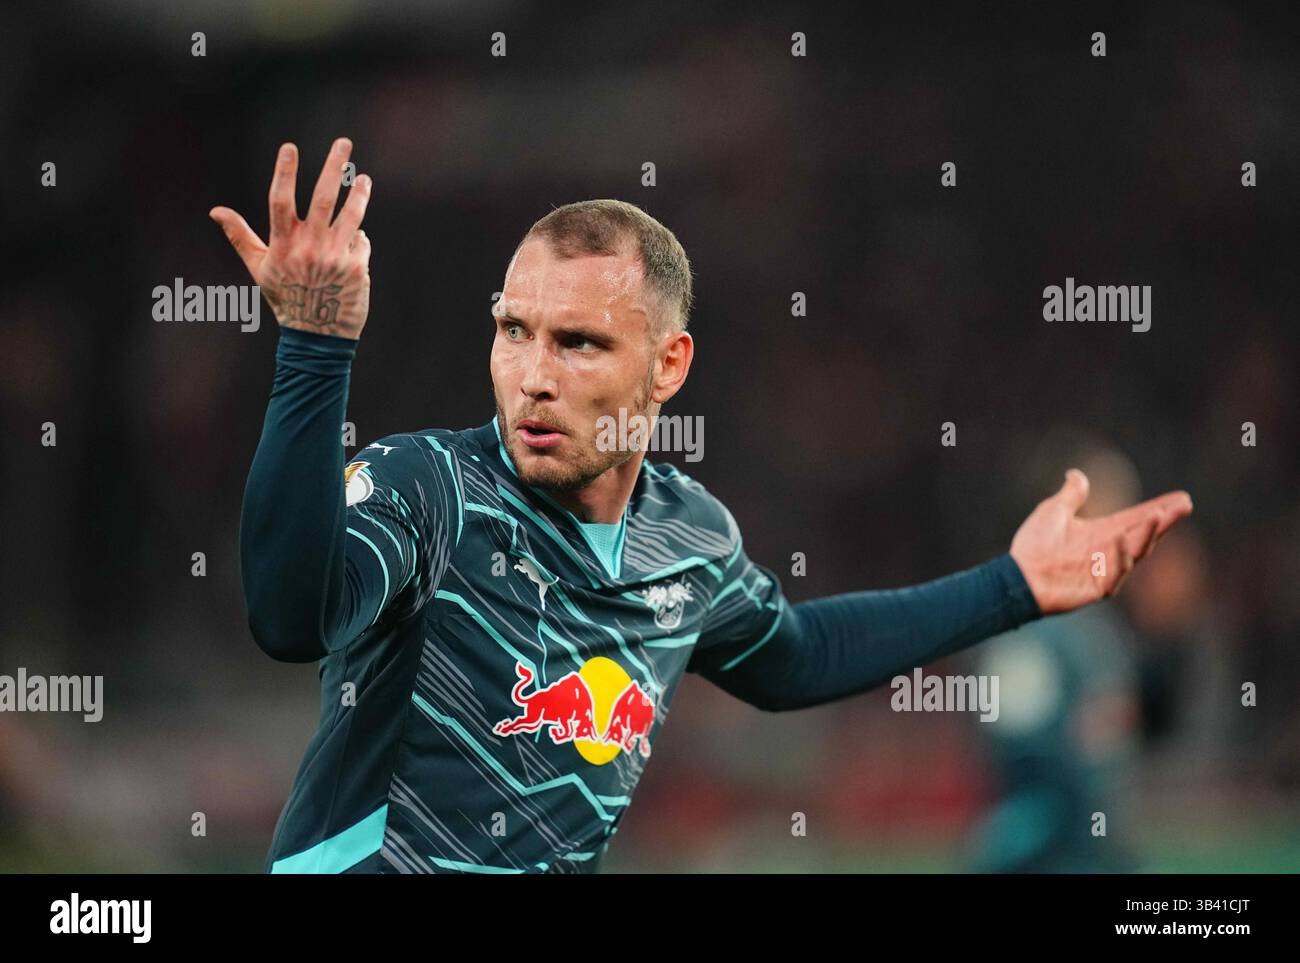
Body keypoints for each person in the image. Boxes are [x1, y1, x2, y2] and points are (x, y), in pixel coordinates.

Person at [210, 138, 1193, 873]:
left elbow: (794, 659)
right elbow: (290, 620)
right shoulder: (429, 489)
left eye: (580, 343)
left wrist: (1011, 586)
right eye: (515, 332)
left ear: (667, 364)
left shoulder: (688, 543)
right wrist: (315, 347)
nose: (533, 377)